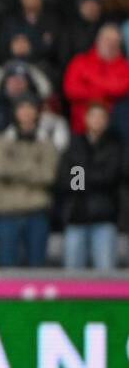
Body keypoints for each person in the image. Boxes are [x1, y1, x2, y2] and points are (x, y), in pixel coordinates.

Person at [0, 96, 59, 267]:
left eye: (30, 108)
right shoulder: (0, 141)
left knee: (37, 268)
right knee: (7, 268)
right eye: (22, 108)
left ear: (37, 113)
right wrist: (33, 167)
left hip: (37, 211)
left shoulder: (47, 143)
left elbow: (48, 176)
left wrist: (15, 169)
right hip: (7, 212)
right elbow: (0, 170)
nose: (26, 113)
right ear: (15, 112)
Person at [59, 102, 122, 269]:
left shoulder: (115, 146)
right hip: (76, 215)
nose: (97, 121)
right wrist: (93, 174)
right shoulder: (75, 144)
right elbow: (67, 179)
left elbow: (110, 177)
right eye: (93, 116)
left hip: (104, 217)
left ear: (107, 121)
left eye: (101, 117)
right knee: (72, 275)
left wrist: (83, 174)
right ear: (86, 119)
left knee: (106, 275)